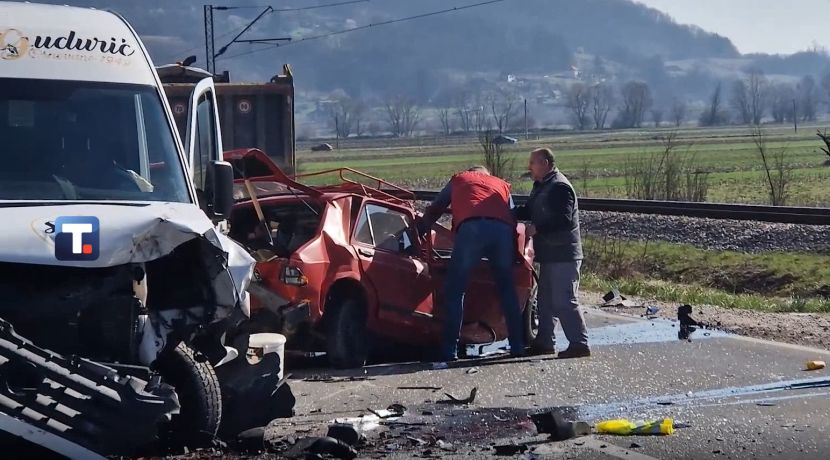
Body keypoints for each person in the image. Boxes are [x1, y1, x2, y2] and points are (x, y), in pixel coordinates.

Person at [419, 166, 526, 362]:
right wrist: (514, 253)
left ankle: (450, 350)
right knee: (506, 289)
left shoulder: (460, 179)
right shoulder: (501, 184)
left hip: (471, 230)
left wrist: (420, 230)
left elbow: (437, 207)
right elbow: (512, 216)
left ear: (471, 172)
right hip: (501, 232)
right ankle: (517, 346)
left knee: (456, 289)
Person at [514, 148, 589, 359]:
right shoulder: (542, 186)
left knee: (564, 300)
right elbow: (529, 210)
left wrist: (537, 228)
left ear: (545, 163)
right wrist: (505, 210)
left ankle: (579, 344)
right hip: (549, 253)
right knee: (545, 300)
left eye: (533, 162)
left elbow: (563, 220)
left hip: (564, 253)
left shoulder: (559, 187)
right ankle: (544, 342)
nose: (529, 167)